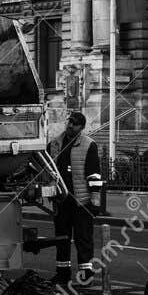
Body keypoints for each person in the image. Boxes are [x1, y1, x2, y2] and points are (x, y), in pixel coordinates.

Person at [50, 111, 103, 285]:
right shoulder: (56, 142)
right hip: (61, 199)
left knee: (83, 238)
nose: (70, 126)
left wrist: (95, 202)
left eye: (75, 124)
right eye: (69, 122)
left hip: (81, 200)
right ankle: (62, 273)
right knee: (62, 238)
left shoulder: (89, 145)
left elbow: (94, 175)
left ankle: (85, 274)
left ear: (81, 127)